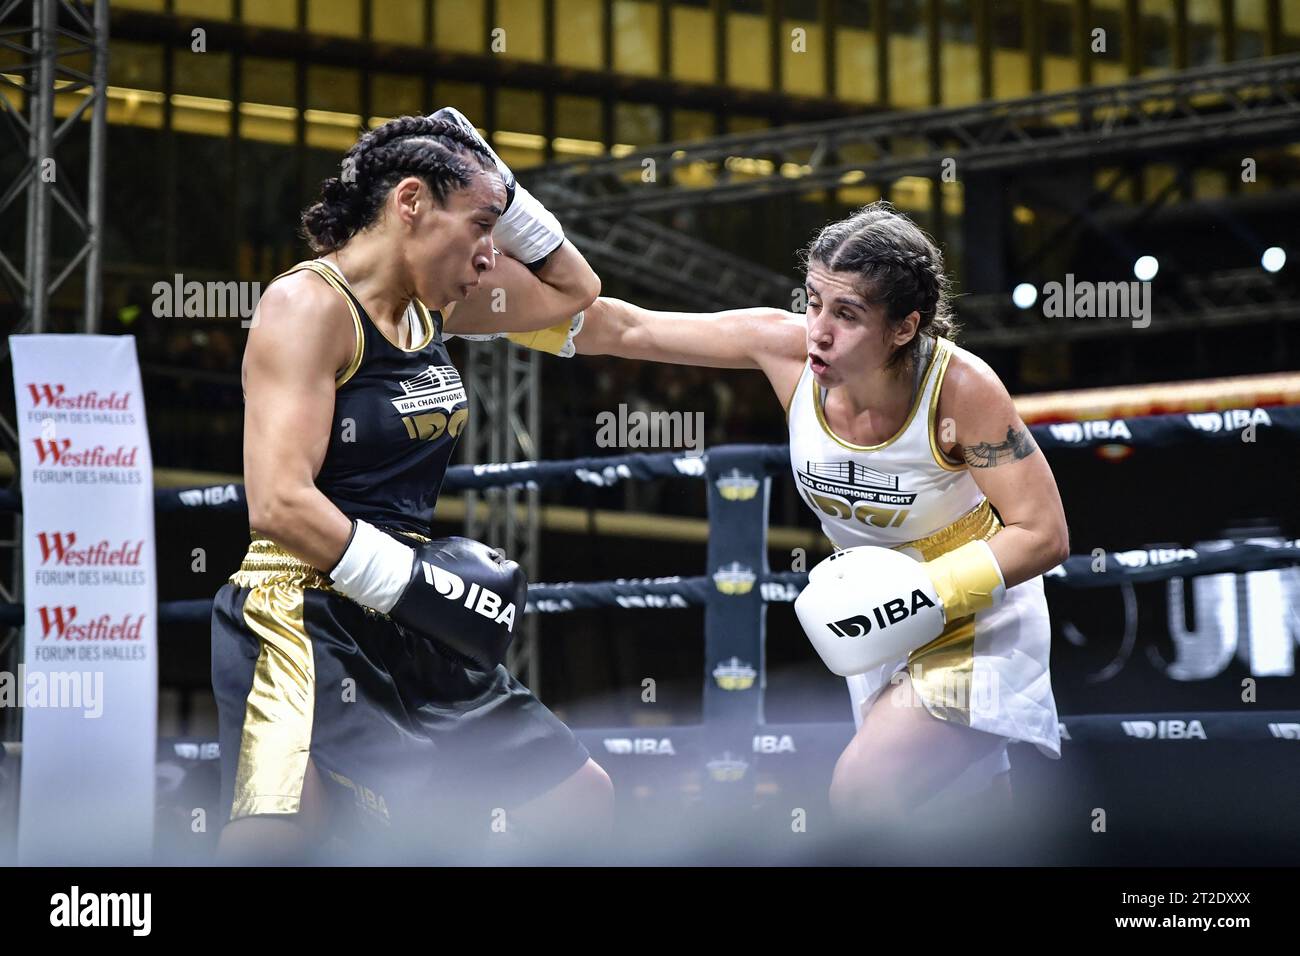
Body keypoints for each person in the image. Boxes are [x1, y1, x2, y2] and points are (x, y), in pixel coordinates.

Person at [574, 201, 1067, 833]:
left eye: (847, 314)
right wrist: (478, 286)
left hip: (974, 621)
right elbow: (625, 329)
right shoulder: (785, 353)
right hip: (879, 622)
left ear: (903, 327)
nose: (818, 331)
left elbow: (1045, 533)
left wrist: (919, 598)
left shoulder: (959, 389)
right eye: (812, 302)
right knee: (960, 819)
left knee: (862, 792)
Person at [210, 111, 611, 864]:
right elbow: (278, 502)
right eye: (481, 227)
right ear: (410, 203)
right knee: (279, 841)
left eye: (499, 230)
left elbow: (576, 287)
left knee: (578, 800)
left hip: (403, 607)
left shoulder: (437, 305)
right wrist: (415, 590)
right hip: (302, 608)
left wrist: (501, 184)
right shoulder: (307, 307)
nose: (491, 255)